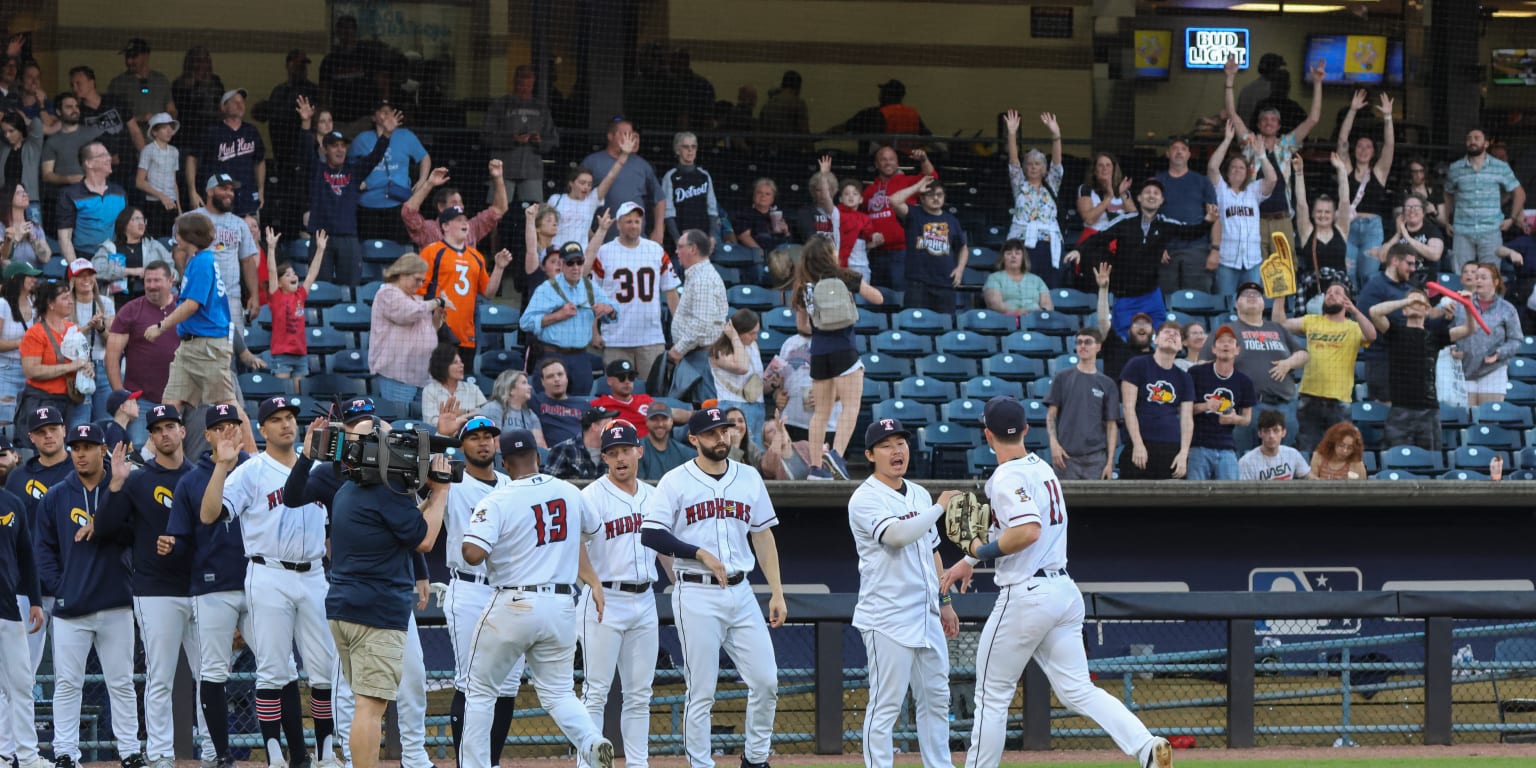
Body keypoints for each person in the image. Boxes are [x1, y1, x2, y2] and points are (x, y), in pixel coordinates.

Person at [940, 396, 1175, 768]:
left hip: (1026, 596)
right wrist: (968, 560)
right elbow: (1017, 529)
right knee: (1078, 690)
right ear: (1026, 430)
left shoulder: (1005, 477)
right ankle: (1146, 746)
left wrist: (978, 550)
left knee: (992, 694)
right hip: (1063, 591)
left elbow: (1029, 531)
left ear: (987, 435)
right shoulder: (1042, 468)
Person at [459, 429, 615, 768]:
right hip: (560, 606)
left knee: (480, 691)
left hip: (513, 602)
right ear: (538, 457)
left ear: (503, 463)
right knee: (559, 692)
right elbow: (591, 530)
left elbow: (472, 553)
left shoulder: (498, 498)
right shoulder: (568, 490)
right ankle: (590, 740)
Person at [640, 408, 784, 768]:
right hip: (696, 593)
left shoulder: (749, 477)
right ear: (693, 439)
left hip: (742, 592)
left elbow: (762, 535)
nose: (721, 438)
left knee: (766, 682)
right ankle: (701, 764)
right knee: (702, 691)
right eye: (711, 433)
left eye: (725, 430)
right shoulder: (676, 480)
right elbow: (651, 533)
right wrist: (698, 552)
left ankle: (754, 759)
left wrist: (777, 592)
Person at [200, 396, 337, 768]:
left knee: (323, 668)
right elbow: (209, 514)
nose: (285, 425)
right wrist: (221, 467)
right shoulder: (251, 471)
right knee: (273, 668)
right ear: (261, 429)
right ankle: (275, 753)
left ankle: (326, 750)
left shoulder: (320, 468)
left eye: (290, 417)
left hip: (313, 574)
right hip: (268, 572)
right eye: (275, 419)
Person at [92, 403, 216, 768]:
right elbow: (106, 528)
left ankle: (211, 749)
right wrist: (115, 483)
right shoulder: (138, 480)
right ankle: (160, 753)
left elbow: (212, 533)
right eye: (157, 428)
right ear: (151, 436)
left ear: (182, 431)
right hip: (155, 589)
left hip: (199, 587)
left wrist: (182, 543)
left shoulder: (199, 476)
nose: (165, 433)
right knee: (160, 676)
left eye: (170, 426)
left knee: (208, 675)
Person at [325, 430, 447, 768]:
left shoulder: (349, 489)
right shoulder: (387, 492)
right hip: (376, 611)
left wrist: (426, 501)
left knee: (364, 701)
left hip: (344, 608)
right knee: (371, 705)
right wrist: (442, 492)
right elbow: (424, 539)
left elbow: (403, 525)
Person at [847, 418, 960, 768]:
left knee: (937, 700)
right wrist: (940, 508)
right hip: (887, 617)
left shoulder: (918, 492)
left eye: (901, 443)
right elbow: (896, 536)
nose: (897, 450)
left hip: (926, 613)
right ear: (870, 454)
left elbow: (933, 549)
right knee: (886, 705)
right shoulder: (864, 498)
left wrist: (945, 601)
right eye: (886, 445)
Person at [35, 424, 145, 768]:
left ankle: (129, 750)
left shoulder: (123, 491)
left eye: (89, 446)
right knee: (68, 684)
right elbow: (42, 549)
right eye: (76, 447)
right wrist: (61, 586)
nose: (81, 453)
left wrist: (105, 518)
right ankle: (66, 751)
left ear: (103, 450)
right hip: (72, 608)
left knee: (122, 683)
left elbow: (133, 535)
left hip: (115, 603)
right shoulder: (56, 495)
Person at [160, 403, 257, 768]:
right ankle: (220, 754)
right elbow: (183, 535)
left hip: (258, 582)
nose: (228, 431)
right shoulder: (191, 480)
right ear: (209, 434)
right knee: (213, 671)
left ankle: (279, 750)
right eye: (219, 426)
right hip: (212, 585)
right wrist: (172, 544)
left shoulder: (257, 469)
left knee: (276, 667)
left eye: (233, 424)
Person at [577, 419, 662, 768]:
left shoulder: (654, 496)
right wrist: (593, 582)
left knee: (640, 694)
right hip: (604, 601)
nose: (620, 458)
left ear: (639, 451)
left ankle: (638, 764)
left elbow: (664, 546)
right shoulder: (591, 496)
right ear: (605, 458)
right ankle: (588, 764)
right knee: (595, 691)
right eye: (612, 453)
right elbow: (572, 546)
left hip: (644, 600)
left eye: (625, 450)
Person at [1065, 179, 1215, 339]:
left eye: (1156, 193)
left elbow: (1191, 232)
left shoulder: (1166, 224)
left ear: (1162, 200)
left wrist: (1208, 221)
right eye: (1147, 192)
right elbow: (1099, 237)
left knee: (1160, 340)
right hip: (1124, 296)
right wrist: (1078, 250)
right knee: (1122, 341)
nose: (1152, 196)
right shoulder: (1125, 221)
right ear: (1139, 198)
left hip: (1152, 295)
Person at [791, 236, 884, 480]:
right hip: (844, 348)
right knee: (851, 406)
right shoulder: (846, 276)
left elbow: (802, 326)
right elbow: (878, 298)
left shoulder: (804, 287)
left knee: (820, 413)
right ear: (829, 255)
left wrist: (822, 324)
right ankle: (836, 455)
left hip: (819, 352)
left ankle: (815, 468)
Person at [1223, 55, 1327, 248]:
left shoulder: (1286, 145)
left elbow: (1312, 119)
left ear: (1279, 126)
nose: (1268, 122)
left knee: (1284, 272)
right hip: (1254, 218)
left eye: (1273, 120)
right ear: (1258, 124)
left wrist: (1318, 83)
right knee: (1257, 270)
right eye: (1264, 119)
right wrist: (1229, 78)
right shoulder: (1250, 142)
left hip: (1282, 218)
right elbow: (1232, 114)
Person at [295, 96, 394, 285]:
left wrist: (387, 135)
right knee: (320, 286)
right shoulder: (317, 170)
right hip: (321, 237)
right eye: (334, 146)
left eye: (343, 146)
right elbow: (306, 151)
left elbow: (375, 157)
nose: (340, 150)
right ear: (324, 150)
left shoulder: (354, 170)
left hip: (348, 236)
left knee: (351, 286)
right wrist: (306, 122)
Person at [149, 214, 241, 416]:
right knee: (168, 407)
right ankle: (152, 449)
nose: (175, 239)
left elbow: (192, 305)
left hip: (207, 345)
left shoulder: (202, 262)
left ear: (188, 236)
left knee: (227, 405)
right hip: (190, 347)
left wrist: (160, 327)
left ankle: (251, 449)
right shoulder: (198, 260)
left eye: (178, 234)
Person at [1272, 281, 1377, 454]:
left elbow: (1371, 335)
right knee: (1306, 450)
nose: (1330, 294)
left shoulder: (1353, 327)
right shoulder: (1312, 321)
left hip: (1338, 400)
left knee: (1338, 454)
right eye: (1328, 292)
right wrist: (1280, 296)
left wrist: (1355, 311)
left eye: (1337, 292)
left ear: (1347, 301)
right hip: (1309, 398)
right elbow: (1279, 324)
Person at [1368, 288, 1474, 451]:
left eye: (1420, 302)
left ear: (1427, 310)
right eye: (1412, 302)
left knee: (1430, 459)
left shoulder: (1435, 337)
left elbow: (1469, 329)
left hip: (1428, 409)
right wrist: (1407, 301)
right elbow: (1374, 312)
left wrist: (1468, 305)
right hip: (1400, 408)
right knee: (1398, 460)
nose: (1415, 303)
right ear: (1404, 310)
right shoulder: (1395, 332)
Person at [593, 201, 681, 381]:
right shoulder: (604, 252)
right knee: (618, 395)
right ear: (618, 224)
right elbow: (592, 296)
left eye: (637, 221)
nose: (633, 225)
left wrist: (680, 331)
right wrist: (594, 332)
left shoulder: (655, 250)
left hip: (651, 338)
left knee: (651, 397)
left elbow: (671, 293)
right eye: (628, 221)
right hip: (616, 339)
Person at [421, 205, 513, 368]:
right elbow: (419, 292)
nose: (465, 223)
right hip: (438, 332)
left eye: (466, 220)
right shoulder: (432, 252)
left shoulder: (476, 256)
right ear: (445, 226)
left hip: (467, 334)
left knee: (461, 385)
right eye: (458, 220)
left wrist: (499, 268)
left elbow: (488, 293)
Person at [520, 242, 615, 396]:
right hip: (552, 356)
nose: (575, 267)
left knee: (580, 405)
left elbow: (614, 310)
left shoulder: (591, 287)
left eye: (579, 262)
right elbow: (525, 322)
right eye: (570, 263)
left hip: (580, 358)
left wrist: (608, 309)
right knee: (547, 407)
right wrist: (558, 316)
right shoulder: (547, 289)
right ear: (562, 264)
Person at [105, 260, 179, 446]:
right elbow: (112, 356)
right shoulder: (131, 310)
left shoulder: (183, 309)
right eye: (148, 281)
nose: (152, 286)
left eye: (157, 280)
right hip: (141, 400)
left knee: (179, 453)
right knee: (138, 453)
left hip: (179, 399)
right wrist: (122, 397)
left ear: (171, 280)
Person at [0, 458, 43, 768]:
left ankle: (26, 756)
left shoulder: (13, 503)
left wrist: (36, 601)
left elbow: (27, 556)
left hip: (8, 608)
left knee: (21, 682)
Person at [1206, 120, 1278, 296]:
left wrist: (1262, 155)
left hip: (1252, 261)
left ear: (1247, 173)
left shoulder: (1253, 191)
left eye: (1241, 168)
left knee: (1252, 305)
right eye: (1234, 167)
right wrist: (1227, 140)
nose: (1238, 170)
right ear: (1228, 171)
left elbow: (1272, 179)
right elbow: (1212, 167)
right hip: (1227, 261)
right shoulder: (1222, 190)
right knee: (1226, 305)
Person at [1118, 320, 1194, 480]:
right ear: (1156, 339)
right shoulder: (1137, 365)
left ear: (1181, 346)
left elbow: (1187, 418)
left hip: (1171, 447)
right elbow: (1128, 408)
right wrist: (1138, 444)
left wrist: (1183, 454)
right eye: (1167, 332)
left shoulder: (1184, 377)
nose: (1172, 335)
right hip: (1141, 445)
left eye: (1177, 334)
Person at [1443, 128, 1527, 270]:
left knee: (1490, 275)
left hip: (1491, 230)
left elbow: (1519, 193)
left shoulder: (1500, 167)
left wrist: (1512, 219)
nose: (1472, 141)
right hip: (1462, 230)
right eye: (1469, 138)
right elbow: (1447, 193)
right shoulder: (1455, 168)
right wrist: (1446, 221)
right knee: (1462, 277)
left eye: (1477, 138)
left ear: (1486, 143)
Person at [369, 253, 447, 404]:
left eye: (422, 281)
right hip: (397, 375)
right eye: (417, 279)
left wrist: (437, 315)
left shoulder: (414, 298)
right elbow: (407, 313)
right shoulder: (388, 292)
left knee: (420, 426)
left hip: (422, 374)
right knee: (400, 422)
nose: (420, 285)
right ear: (403, 273)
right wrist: (437, 301)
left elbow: (429, 330)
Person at [1336, 91, 1396, 285]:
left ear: (1373, 152)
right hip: (1348, 227)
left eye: (1368, 147)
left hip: (1372, 229)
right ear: (1355, 150)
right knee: (1348, 277)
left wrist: (1388, 117)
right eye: (1360, 146)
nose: (1363, 150)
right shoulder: (1347, 169)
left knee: (1369, 276)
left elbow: (1390, 145)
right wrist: (1352, 110)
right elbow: (1342, 141)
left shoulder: (1379, 172)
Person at [349, 99, 429, 244]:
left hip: (398, 202)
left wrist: (422, 181)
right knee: (368, 249)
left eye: (389, 110)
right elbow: (348, 164)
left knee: (399, 251)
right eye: (381, 110)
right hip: (368, 204)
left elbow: (425, 157)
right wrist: (357, 182)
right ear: (373, 117)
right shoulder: (362, 139)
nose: (386, 113)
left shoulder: (406, 135)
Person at [1045, 327, 1120, 480]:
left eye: (1088, 342)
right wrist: (1054, 444)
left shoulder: (1107, 384)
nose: (1083, 346)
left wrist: (1110, 462)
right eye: (1079, 342)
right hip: (1065, 457)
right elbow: (1051, 414)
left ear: (1098, 347)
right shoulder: (1062, 377)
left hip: (1096, 459)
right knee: (1065, 504)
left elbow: (1112, 425)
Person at [1355, 243, 1426, 403]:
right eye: (1409, 263)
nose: (1413, 269)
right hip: (1382, 361)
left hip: (1406, 361)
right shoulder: (1374, 286)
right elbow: (1368, 322)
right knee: (1388, 413)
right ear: (1394, 261)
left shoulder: (1409, 288)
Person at [18, 278, 92, 429]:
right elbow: (31, 371)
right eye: (65, 298)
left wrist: (88, 368)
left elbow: (83, 360)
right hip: (42, 403)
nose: (71, 302)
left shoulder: (73, 328)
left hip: (72, 401)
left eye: (70, 297)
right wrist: (71, 367)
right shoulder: (35, 333)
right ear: (50, 304)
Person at [1004, 110, 1065, 288]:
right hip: (1024, 245)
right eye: (1029, 163)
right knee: (1024, 288)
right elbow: (1013, 162)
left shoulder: (1052, 184)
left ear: (1044, 168)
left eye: (1037, 163)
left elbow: (1057, 163)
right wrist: (1012, 133)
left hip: (1048, 245)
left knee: (1047, 289)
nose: (1033, 167)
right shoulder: (1020, 185)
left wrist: (1056, 134)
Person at [1185, 325, 1256, 481]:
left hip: (1227, 447)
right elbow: (1183, 410)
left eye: (1230, 342)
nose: (1226, 345)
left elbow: (1247, 419)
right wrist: (1206, 406)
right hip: (1198, 445)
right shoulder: (1196, 373)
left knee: (1230, 497)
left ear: (1237, 350)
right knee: (1195, 496)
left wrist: (1234, 419)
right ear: (1214, 349)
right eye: (1221, 342)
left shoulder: (1244, 381)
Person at [481, 65, 559, 206]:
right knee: (497, 209)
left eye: (528, 85)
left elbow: (553, 139)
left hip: (531, 169)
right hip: (504, 168)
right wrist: (512, 139)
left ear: (533, 84)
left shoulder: (541, 108)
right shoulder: (500, 105)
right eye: (521, 84)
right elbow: (486, 136)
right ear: (514, 82)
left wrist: (539, 141)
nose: (524, 88)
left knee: (535, 209)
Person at [189, 173, 261, 323]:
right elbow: (179, 254)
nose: (229, 193)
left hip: (231, 297)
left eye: (231, 189)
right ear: (209, 191)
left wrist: (254, 296)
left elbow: (248, 262)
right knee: (200, 344)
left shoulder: (239, 224)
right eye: (223, 188)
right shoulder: (190, 219)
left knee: (235, 345)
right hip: (197, 297)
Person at [666, 229, 729, 400]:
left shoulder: (703, 279)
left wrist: (677, 351)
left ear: (693, 249)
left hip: (700, 357)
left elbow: (701, 325)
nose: (676, 252)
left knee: (705, 410)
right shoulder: (699, 275)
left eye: (680, 247)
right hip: (695, 355)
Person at [862, 146, 936, 290]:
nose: (888, 163)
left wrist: (924, 160)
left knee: (900, 296)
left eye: (891, 159)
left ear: (897, 163)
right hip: (876, 253)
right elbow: (863, 219)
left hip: (902, 252)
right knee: (878, 298)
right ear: (876, 164)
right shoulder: (869, 190)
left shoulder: (908, 181)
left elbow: (931, 178)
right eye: (883, 160)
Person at [1155, 135, 1219, 295]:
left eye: (1183, 149)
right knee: (1167, 303)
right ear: (1168, 153)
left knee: (1196, 301)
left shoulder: (1202, 181)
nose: (1179, 152)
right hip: (1167, 251)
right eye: (1175, 148)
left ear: (1189, 154)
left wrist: (1215, 250)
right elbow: (1148, 217)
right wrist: (1156, 246)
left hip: (1196, 249)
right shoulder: (1157, 182)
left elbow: (1214, 218)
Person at [582, 118, 664, 243]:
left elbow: (660, 199)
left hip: (637, 240)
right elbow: (579, 199)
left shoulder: (642, 165)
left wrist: (659, 229)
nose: (628, 137)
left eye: (630, 133)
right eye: (623, 133)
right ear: (610, 136)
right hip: (602, 239)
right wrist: (587, 231)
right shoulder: (592, 162)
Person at [186, 89, 263, 216]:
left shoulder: (251, 131)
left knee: (250, 234)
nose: (240, 105)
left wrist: (261, 189)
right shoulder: (211, 131)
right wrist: (192, 191)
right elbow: (191, 159)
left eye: (242, 102)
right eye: (234, 102)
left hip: (247, 197)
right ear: (223, 107)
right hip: (219, 199)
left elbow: (260, 161)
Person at [1454, 262, 1523, 405]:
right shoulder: (1461, 304)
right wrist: (1452, 348)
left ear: (1495, 282)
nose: (1478, 280)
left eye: (1483, 277)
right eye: (1476, 277)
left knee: (1489, 419)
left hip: (1493, 370)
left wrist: (1499, 353)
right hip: (1464, 368)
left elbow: (1516, 340)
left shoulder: (1507, 309)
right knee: (1467, 417)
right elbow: (1449, 333)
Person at [402, 159, 507, 250]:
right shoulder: (428, 229)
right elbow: (408, 212)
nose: (460, 206)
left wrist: (498, 178)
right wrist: (430, 184)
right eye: (454, 203)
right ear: (441, 207)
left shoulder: (471, 228)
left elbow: (500, 209)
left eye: (461, 202)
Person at [1292, 153, 1353, 309]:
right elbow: (1301, 204)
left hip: (1339, 291)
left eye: (1327, 212)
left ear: (1333, 215)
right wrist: (1299, 173)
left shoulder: (1341, 229)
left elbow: (1345, 202)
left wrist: (1341, 170)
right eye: (1319, 211)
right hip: (1313, 293)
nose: (1323, 215)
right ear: (1313, 214)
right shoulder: (1307, 232)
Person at [547, 148, 633, 253]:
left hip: (579, 257)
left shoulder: (591, 201)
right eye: (582, 183)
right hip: (555, 254)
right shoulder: (555, 199)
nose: (586, 187)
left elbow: (610, 177)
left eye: (589, 184)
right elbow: (543, 227)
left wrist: (623, 156)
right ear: (571, 183)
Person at [57, 141, 128, 266]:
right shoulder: (70, 194)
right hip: (84, 259)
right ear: (88, 163)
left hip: (115, 260)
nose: (109, 158)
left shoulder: (120, 192)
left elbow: (128, 232)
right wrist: (77, 269)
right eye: (103, 155)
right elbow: (64, 237)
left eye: (108, 154)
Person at [902, 183, 968, 312]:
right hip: (918, 283)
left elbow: (963, 247)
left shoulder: (952, 220)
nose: (936, 198)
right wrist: (916, 187)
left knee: (945, 327)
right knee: (914, 325)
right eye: (931, 195)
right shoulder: (914, 214)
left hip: (945, 283)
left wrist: (959, 269)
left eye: (939, 195)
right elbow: (894, 200)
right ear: (922, 199)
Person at [65, 258, 113, 420]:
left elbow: (112, 342)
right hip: (78, 368)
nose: (86, 280)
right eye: (81, 276)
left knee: (105, 420)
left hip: (102, 367)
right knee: (80, 422)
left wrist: (100, 327)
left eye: (89, 275)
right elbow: (65, 342)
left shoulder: (105, 303)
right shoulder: (66, 305)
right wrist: (87, 326)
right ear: (72, 281)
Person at [94, 206, 171, 306]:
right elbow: (95, 270)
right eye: (137, 219)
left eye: (143, 220)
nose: (142, 223)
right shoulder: (109, 248)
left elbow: (173, 272)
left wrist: (154, 274)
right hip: (117, 302)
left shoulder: (154, 246)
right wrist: (130, 271)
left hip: (150, 302)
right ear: (124, 223)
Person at [711, 309, 765, 449]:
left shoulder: (753, 345)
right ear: (739, 331)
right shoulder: (720, 350)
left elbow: (757, 378)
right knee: (736, 450)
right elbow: (742, 367)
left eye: (757, 332)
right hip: (734, 406)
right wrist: (734, 337)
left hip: (757, 405)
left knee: (756, 451)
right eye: (751, 333)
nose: (756, 337)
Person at [590, 358, 684, 439]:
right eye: (622, 378)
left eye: (631, 377)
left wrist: (695, 414)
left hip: (654, 446)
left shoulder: (645, 399)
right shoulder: (600, 404)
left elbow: (671, 413)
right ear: (610, 381)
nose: (627, 382)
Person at [1092, 264, 1152, 381]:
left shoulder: (1156, 357)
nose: (1141, 327)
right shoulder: (1115, 346)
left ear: (1152, 331)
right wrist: (1103, 290)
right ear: (1129, 330)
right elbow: (1103, 321)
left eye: (1145, 324)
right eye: (1136, 324)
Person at [0, 260, 40, 434]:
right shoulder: (2, 304)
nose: (34, 280)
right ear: (17, 279)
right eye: (29, 276)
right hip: (5, 370)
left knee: (26, 425)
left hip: (29, 370)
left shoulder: (34, 303)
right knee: (5, 426)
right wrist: (24, 341)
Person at [662, 131, 720, 244]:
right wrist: (677, 239)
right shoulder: (670, 176)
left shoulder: (704, 175)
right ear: (677, 150)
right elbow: (668, 213)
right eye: (686, 147)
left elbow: (712, 209)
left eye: (693, 147)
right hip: (681, 238)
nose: (690, 150)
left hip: (702, 237)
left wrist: (712, 236)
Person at [169, 47, 224, 162]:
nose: (201, 65)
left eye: (204, 61)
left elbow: (221, 107)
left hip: (210, 139)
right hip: (186, 140)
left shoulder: (215, 82)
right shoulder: (179, 85)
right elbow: (178, 112)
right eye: (197, 60)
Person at [106, 38, 174, 128]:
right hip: (129, 139)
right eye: (127, 57)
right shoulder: (118, 83)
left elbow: (171, 110)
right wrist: (139, 119)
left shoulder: (161, 81)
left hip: (157, 140)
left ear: (145, 56)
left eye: (134, 57)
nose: (129, 61)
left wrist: (164, 121)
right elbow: (111, 116)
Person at [132, 112, 180, 236]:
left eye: (170, 127)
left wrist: (179, 210)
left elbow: (174, 182)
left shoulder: (175, 152)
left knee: (172, 240)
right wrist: (161, 196)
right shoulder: (148, 150)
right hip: (154, 203)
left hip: (171, 203)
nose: (169, 131)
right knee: (154, 240)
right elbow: (140, 181)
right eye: (164, 128)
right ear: (154, 132)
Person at [422, 342, 488, 429]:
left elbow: (487, 413)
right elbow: (431, 422)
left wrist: (461, 415)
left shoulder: (472, 389)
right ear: (443, 366)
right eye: (455, 362)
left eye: (461, 362)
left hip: (470, 434)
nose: (462, 365)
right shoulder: (430, 391)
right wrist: (468, 414)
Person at [1383, 193, 1446, 283]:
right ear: (1403, 213)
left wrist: (1407, 237)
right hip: (1398, 278)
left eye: (1416, 207)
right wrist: (1398, 234)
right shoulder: (1395, 230)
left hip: (1424, 277)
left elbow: (1435, 255)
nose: (1412, 210)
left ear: (1423, 212)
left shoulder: (1431, 230)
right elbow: (1382, 257)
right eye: (1408, 207)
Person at [1076, 152, 1136, 244]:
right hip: (1093, 241)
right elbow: (1089, 219)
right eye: (1100, 165)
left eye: (1108, 165)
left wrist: (1123, 193)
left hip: (1118, 243)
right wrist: (1108, 198)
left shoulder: (1123, 191)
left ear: (1114, 170)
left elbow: (1134, 219)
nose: (1105, 168)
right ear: (1095, 171)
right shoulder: (1086, 189)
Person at [546, 406, 617, 481]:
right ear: (594, 427)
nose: (614, 429)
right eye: (610, 425)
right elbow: (549, 485)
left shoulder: (614, 451)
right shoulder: (564, 449)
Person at [1238, 409, 1311, 481]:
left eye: (1276, 430)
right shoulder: (1247, 462)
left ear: (1283, 432)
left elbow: (1310, 478)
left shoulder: (1293, 454)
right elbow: (1244, 491)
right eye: (1266, 431)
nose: (1271, 436)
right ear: (1260, 433)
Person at [984, 238, 1051, 316]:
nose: (1013, 256)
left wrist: (1040, 313)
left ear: (1023, 258)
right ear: (1003, 258)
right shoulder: (994, 278)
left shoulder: (1037, 280)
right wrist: (1018, 312)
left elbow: (1047, 305)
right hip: (1006, 320)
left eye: (1017, 253)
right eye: (1009, 253)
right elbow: (995, 304)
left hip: (1036, 320)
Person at [0, 112, 44, 228]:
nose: (7, 135)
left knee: (36, 236)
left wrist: (24, 120)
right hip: (6, 200)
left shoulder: (32, 146)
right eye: (4, 132)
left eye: (11, 131)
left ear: (20, 129)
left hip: (29, 200)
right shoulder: (4, 148)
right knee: (7, 234)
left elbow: (37, 124)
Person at [479, 369, 546, 445]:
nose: (530, 387)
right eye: (524, 383)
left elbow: (541, 446)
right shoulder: (493, 408)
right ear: (511, 389)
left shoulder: (530, 414)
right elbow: (493, 444)